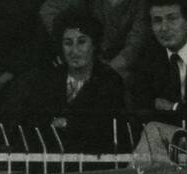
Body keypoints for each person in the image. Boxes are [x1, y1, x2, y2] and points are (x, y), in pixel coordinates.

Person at [15, 8, 127, 153]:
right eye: (68, 43)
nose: (74, 50)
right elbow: (32, 122)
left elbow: (107, 129)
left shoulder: (110, 80)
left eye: (81, 42)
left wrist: (68, 123)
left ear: (94, 45)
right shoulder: (47, 79)